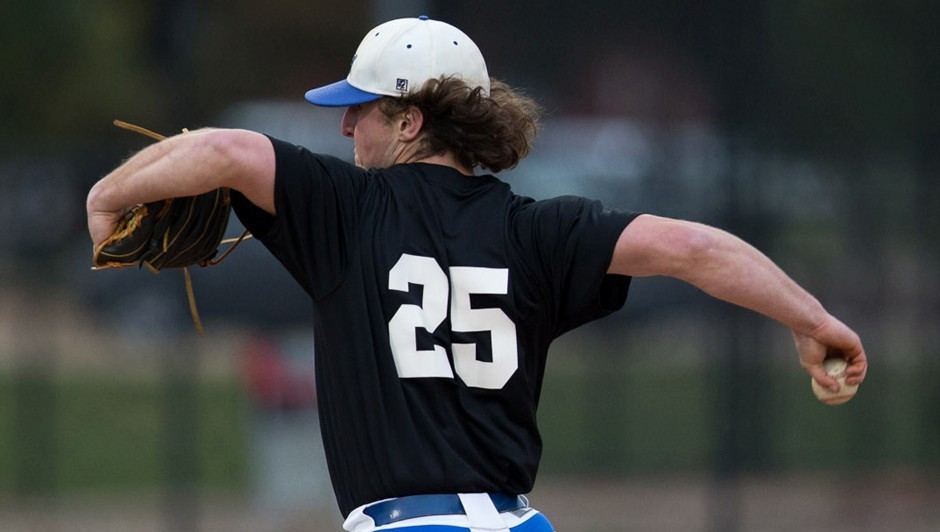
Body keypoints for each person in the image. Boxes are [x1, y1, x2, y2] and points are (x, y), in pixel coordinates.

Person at [86, 16, 868, 532]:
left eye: (363, 107)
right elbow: (695, 249)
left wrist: (108, 194)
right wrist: (811, 320)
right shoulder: (540, 230)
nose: (346, 123)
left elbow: (227, 152)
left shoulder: (349, 211)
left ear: (410, 121)